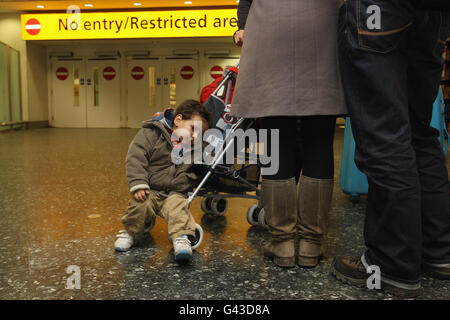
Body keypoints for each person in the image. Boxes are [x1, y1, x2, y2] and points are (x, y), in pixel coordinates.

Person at [332, 0, 450, 297]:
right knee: (419, 132)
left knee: (385, 136)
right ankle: (439, 251)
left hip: (379, 10)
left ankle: (391, 264)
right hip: (437, 14)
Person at [231, 0, 347, 268]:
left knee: (275, 137)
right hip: (321, 29)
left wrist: (242, 26)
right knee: (319, 138)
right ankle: (311, 244)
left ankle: (282, 242)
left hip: (271, 31)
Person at [114, 100, 212, 262]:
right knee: (140, 205)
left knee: (178, 209)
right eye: (193, 129)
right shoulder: (152, 133)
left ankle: (181, 237)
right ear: (178, 120)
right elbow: (136, 157)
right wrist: (138, 184)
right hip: (150, 188)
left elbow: (205, 165)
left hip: (175, 191)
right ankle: (131, 231)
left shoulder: (198, 147)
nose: (195, 136)